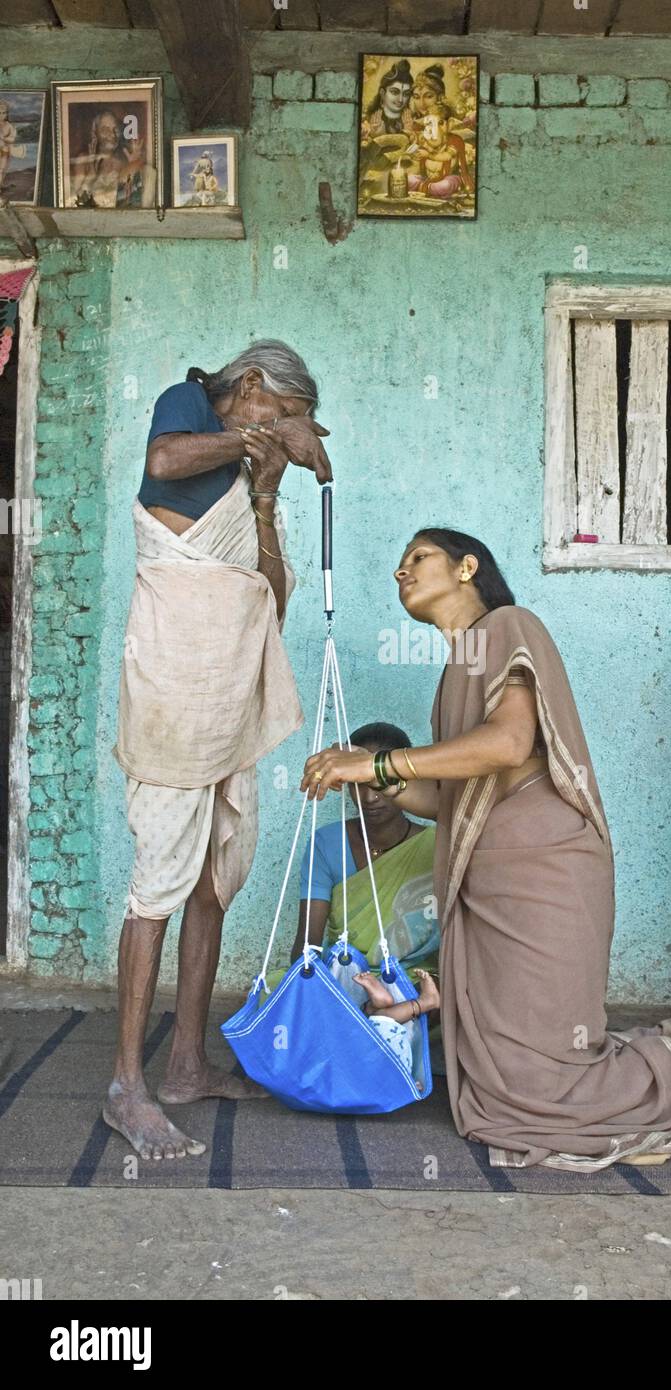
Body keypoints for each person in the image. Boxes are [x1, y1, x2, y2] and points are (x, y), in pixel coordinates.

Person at [300, 528, 671, 1172]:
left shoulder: (508, 626)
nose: (401, 572)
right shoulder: (455, 669)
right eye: (398, 563)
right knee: (506, 1087)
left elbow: (510, 745)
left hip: (548, 868)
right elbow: (452, 798)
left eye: (418, 558)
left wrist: (378, 764)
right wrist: (367, 773)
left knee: (556, 1068)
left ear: (468, 568)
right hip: (491, 880)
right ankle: (666, 1074)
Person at [106, 340, 333, 1162]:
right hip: (174, 689)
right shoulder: (188, 406)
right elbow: (163, 460)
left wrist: (267, 495)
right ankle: (125, 1088)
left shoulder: (244, 476)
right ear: (249, 389)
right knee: (158, 886)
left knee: (212, 882)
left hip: (228, 699)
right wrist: (255, 444)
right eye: (281, 414)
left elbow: (271, 598)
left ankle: (187, 1065)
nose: (279, 430)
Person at [289, 722, 439, 986]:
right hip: (344, 979)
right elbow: (308, 944)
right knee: (272, 993)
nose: (370, 798)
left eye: (380, 784)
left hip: (414, 983)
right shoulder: (327, 843)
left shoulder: (434, 844)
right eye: (359, 784)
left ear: (408, 782)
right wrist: (306, 991)